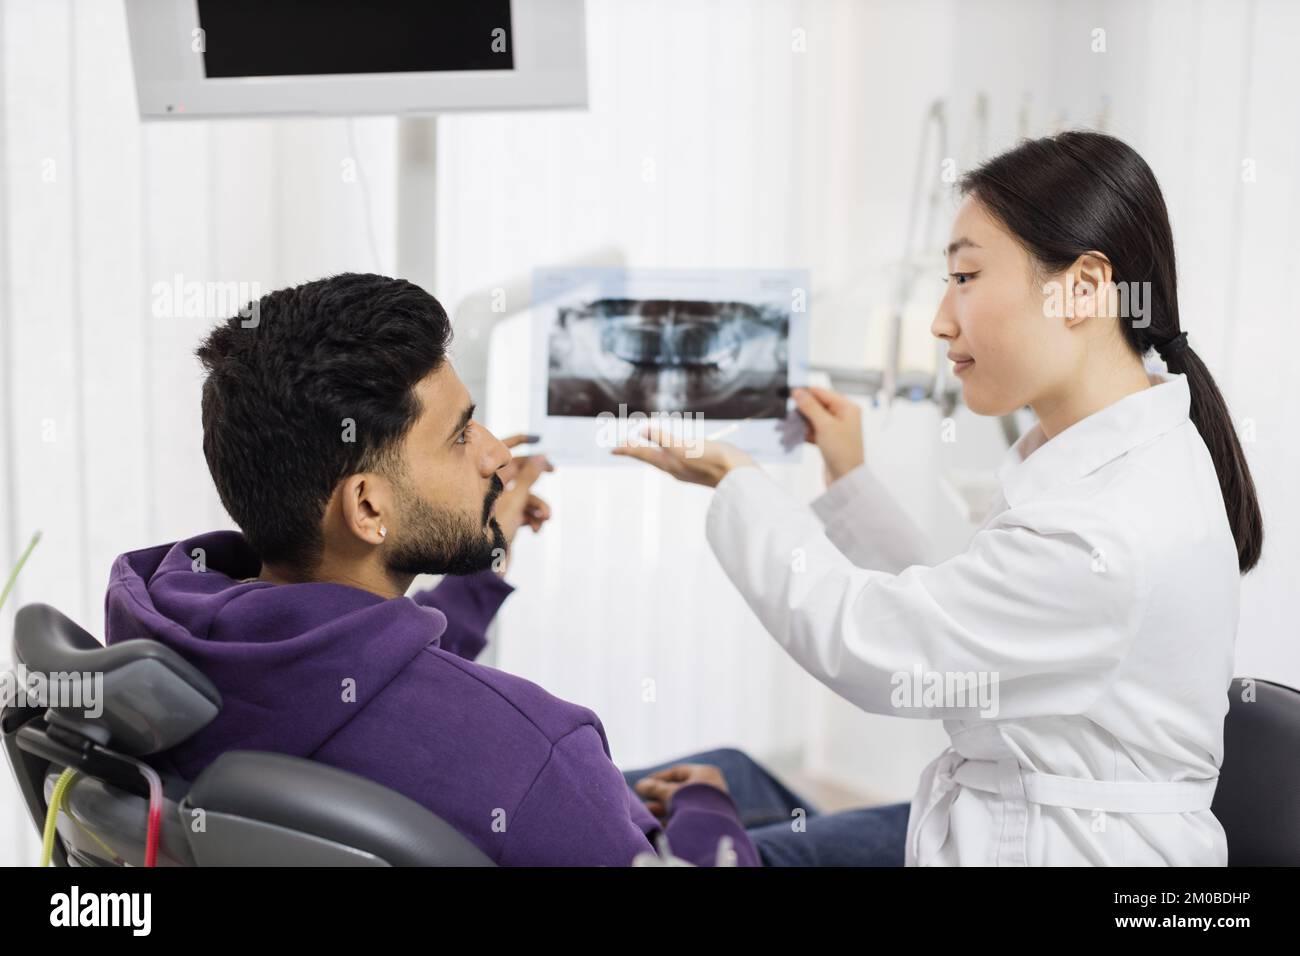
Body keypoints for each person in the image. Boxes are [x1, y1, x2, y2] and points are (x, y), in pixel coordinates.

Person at [616, 130, 1263, 866]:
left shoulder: (1105, 530)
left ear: (1082, 287)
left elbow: (879, 647)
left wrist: (738, 485)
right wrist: (851, 483)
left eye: (965, 277)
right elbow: (969, 611)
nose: (939, 321)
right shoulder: (1109, 467)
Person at [105, 272, 775, 866]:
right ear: (369, 506)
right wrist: (708, 814)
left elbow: (376, 692)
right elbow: (454, 730)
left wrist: (484, 560)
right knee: (731, 779)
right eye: (460, 434)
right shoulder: (539, 751)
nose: (493, 455)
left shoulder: (169, 660)